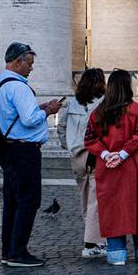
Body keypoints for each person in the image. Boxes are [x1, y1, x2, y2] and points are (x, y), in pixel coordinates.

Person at [85, 69, 138, 266]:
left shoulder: (97, 112)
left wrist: (107, 154)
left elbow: (89, 139)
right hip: (131, 165)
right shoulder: (135, 109)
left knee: (112, 208)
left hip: (106, 166)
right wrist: (123, 154)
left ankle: (116, 254)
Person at [0, 42, 64, 268]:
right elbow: (30, 119)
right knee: (28, 201)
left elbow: (19, 113)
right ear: (17, 62)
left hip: (8, 148)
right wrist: (49, 110)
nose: (31, 68)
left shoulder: (0, 82)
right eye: (29, 64)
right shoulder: (19, 87)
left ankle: (8, 250)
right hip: (24, 150)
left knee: (13, 202)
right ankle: (18, 252)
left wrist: (39, 106)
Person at [59, 67, 106, 260]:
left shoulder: (73, 104)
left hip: (76, 156)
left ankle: (93, 238)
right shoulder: (102, 104)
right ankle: (92, 243)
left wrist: (68, 146)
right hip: (94, 154)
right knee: (96, 200)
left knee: (85, 197)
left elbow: (61, 127)